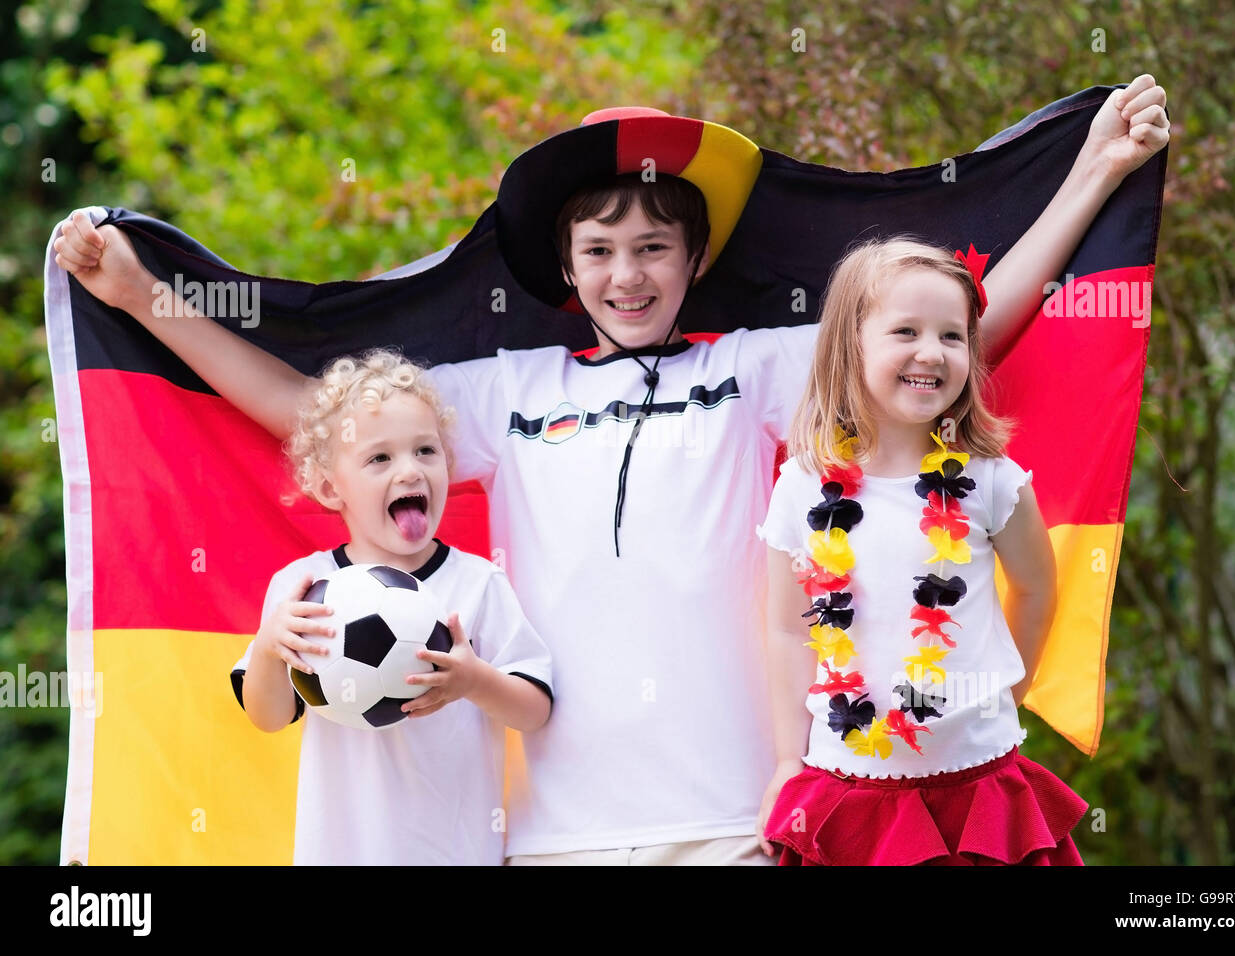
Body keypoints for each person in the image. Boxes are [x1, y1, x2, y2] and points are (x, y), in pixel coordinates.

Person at [53, 77, 1167, 864]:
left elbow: (961, 325)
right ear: (565, 267)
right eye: (599, 249)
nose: (627, 273)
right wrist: (143, 300)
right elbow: (317, 415)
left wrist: (1095, 169)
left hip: (747, 810)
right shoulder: (508, 390)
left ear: (693, 258)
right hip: (551, 827)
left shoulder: (761, 370)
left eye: (652, 247)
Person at [755, 237, 1084, 865]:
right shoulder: (801, 485)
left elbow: (1038, 589)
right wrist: (784, 761)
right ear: (851, 345)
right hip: (848, 784)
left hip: (976, 782)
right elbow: (786, 631)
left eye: (953, 336)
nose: (931, 353)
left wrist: (1006, 690)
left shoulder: (991, 479)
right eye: (905, 331)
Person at [233, 349, 552, 864]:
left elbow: (535, 710)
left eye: (425, 451)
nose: (410, 471)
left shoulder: (478, 584)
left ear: (448, 464)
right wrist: (270, 649)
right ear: (329, 486)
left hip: (457, 851)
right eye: (379, 458)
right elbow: (268, 717)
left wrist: (475, 682)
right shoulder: (304, 588)